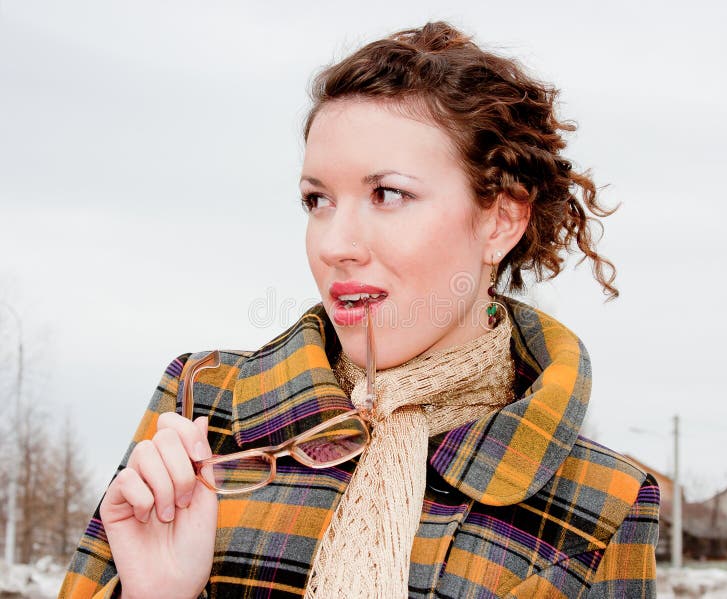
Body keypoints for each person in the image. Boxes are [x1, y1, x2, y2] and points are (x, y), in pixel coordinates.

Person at [60, 21, 659, 599]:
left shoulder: (602, 502)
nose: (334, 244)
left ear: (500, 219)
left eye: (388, 194)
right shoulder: (202, 411)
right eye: (316, 200)